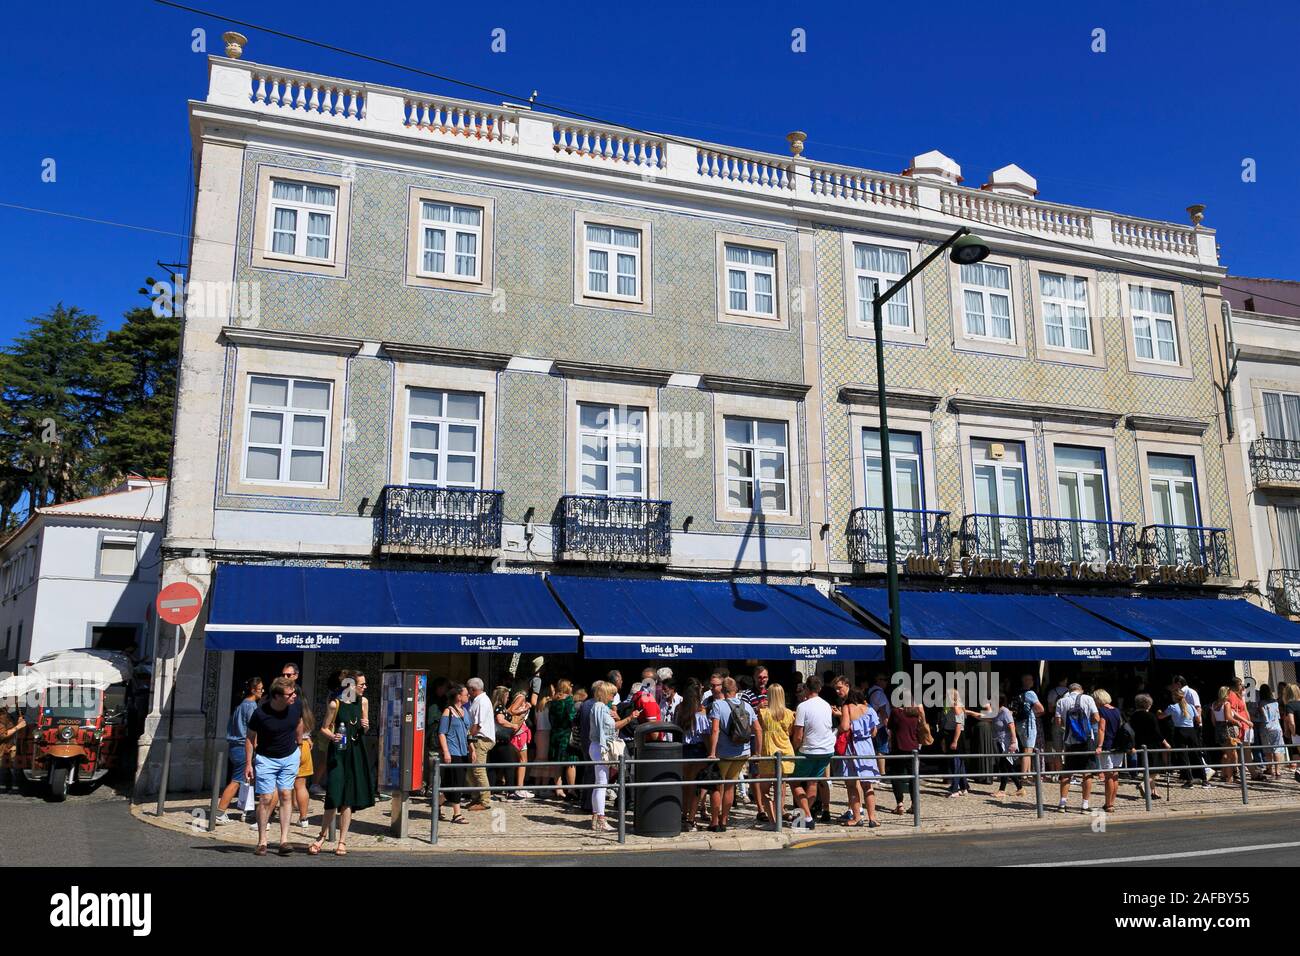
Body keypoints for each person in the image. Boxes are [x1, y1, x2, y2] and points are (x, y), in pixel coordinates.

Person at [308, 670, 374, 856]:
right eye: (361, 685)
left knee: (348, 799)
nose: (364, 687)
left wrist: (366, 726)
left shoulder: (364, 702)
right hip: (338, 753)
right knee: (333, 796)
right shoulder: (335, 704)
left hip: (356, 752)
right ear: (350, 686)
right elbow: (323, 728)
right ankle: (321, 836)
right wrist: (334, 736)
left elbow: (364, 729)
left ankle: (342, 841)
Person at [244, 676, 304, 857]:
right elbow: (249, 737)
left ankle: (284, 840)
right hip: (266, 758)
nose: (294, 696)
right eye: (289, 694)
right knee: (266, 798)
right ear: (277, 697)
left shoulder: (296, 706)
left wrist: (300, 746)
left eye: (294, 692)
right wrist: (248, 763)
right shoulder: (260, 713)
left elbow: (299, 723)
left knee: (286, 794)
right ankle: (262, 841)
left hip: (290, 756)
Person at [706, 677, 761, 832]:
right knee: (730, 786)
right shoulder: (747, 706)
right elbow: (758, 729)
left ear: (723, 690)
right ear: (736, 690)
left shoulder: (718, 705)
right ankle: (724, 820)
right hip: (742, 752)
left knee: (717, 787)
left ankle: (715, 821)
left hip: (723, 752)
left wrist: (712, 752)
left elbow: (715, 729)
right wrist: (757, 751)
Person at [588, 680, 638, 832]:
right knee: (602, 783)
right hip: (601, 747)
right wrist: (630, 718)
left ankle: (597, 816)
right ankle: (601, 819)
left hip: (596, 746)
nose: (613, 697)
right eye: (612, 694)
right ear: (605, 694)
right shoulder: (602, 708)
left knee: (599, 783)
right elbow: (612, 728)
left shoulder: (597, 707)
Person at [789, 676, 836, 830]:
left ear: (806, 689)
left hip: (809, 750)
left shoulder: (803, 707)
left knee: (794, 781)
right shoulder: (827, 705)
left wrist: (795, 749)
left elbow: (798, 735)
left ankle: (806, 816)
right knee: (813, 782)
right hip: (827, 749)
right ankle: (805, 816)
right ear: (820, 689)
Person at [215, 677, 262, 823]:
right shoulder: (251, 706)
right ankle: (219, 812)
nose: (263, 691)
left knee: (247, 780)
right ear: (253, 690)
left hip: (235, 746)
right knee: (237, 780)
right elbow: (253, 731)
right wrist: (256, 747)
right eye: (261, 689)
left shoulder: (240, 706)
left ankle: (247, 811)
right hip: (243, 747)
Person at [837, 688, 881, 827]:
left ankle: (857, 817)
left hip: (853, 747)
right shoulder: (869, 709)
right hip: (867, 747)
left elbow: (844, 726)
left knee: (851, 785)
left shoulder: (846, 707)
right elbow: (874, 732)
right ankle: (872, 818)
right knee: (868, 785)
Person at [1054, 682, 1100, 812]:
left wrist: (1071, 728)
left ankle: (1062, 803)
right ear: (1081, 690)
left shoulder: (1061, 701)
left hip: (1069, 740)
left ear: (1069, 690)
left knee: (1067, 771)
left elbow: (1058, 722)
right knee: (1087, 772)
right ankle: (1084, 805)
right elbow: (1096, 717)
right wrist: (1085, 727)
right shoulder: (1088, 698)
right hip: (1087, 740)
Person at [755, 682, 794, 824]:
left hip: (769, 753)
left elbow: (756, 728)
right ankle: (778, 818)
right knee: (781, 789)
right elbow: (790, 732)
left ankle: (772, 819)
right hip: (786, 753)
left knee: (764, 789)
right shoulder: (789, 714)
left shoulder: (763, 713)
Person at [676, 680, 711, 830]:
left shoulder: (680, 709)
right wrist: (711, 752)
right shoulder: (701, 711)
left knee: (686, 785)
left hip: (683, 750)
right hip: (698, 750)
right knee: (698, 787)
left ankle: (683, 814)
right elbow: (705, 735)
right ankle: (691, 818)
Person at [1159, 687, 1209, 788]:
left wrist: (1159, 712)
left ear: (1174, 697)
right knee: (1196, 755)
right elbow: (1198, 720)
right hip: (1191, 731)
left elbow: (1161, 716)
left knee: (1183, 756)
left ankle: (1189, 780)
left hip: (1179, 731)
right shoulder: (1191, 706)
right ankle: (1204, 780)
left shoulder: (1172, 707)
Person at [977, 694, 1021, 800]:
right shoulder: (996, 712)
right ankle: (1019, 788)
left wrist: (1013, 742)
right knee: (1006, 766)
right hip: (1000, 742)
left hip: (1007, 743)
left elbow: (1012, 726)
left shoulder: (1005, 712)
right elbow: (983, 716)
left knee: (1006, 766)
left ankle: (1004, 790)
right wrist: (968, 712)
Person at [437, 682, 470, 824]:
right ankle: (457, 814)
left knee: (457, 783)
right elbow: (442, 733)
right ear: (458, 696)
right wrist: (446, 752)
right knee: (456, 782)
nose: (468, 696)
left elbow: (468, 732)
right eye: (466, 694)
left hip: (464, 751)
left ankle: (436, 804)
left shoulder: (465, 711)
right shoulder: (448, 712)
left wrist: (472, 749)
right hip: (453, 751)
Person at [886, 693, 923, 815]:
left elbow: (890, 729)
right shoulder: (916, 713)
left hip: (898, 748)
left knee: (896, 776)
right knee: (914, 777)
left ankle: (900, 804)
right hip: (913, 748)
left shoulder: (896, 713)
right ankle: (914, 804)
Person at [1128, 693, 1167, 801]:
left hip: (1140, 744)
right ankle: (1143, 784)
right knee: (1155, 769)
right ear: (1148, 704)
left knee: (1148, 769)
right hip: (1152, 745)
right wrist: (1165, 742)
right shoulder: (1151, 716)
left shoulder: (1133, 716)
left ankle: (1153, 792)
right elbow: (1156, 732)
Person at [547, 680, 581, 801]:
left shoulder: (554, 701)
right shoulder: (568, 701)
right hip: (567, 735)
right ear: (567, 687)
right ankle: (571, 789)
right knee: (571, 764)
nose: (572, 687)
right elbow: (572, 717)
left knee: (557, 763)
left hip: (555, 734)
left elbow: (550, 719)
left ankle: (558, 789)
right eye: (571, 685)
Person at [465, 677, 495, 812]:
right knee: (471, 772)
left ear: (473, 689)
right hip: (478, 738)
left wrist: (469, 738)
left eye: (468, 689)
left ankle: (485, 800)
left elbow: (478, 724)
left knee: (478, 769)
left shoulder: (482, 701)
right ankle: (476, 797)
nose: (467, 692)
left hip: (481, 739)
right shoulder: (478, 700)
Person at [1011, 674, 1043, 791]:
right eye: (1031, 679)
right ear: (1027, 681)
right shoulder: (1031, 693)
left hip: (1019, 723)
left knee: (1026, 747)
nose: (1033, 681)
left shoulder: (1018, 693)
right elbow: (1041, 708)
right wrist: (1035, 713)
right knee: (1028, 750)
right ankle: (1024, 776)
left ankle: (1028, 774)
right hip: (1028, 724)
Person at [1093, 689, 1122, 813]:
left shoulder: (1102, 711)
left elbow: (1102, 729)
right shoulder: (1116, 710)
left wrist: (1099, 745)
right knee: (1115, 775)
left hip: (1108, 745)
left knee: (1108, 776)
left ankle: (1109, 804)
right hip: (1118, 745)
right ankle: (1111, 802)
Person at [942, 688, 971, 797]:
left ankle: (955, 789)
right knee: (960, 762)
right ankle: (964, 786)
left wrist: (955, 741)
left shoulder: (956, 707)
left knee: (956, 762)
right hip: (951, 733)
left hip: (956, 735)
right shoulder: (954, 706)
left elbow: (959, 725)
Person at [1210, 686, 1242, 784]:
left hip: (1219, 730)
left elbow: (1213, 721)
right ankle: (1230, 777)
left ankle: (1224, 774)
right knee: (1230, 755)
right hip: (1228, 729)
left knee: (1226, 753)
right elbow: (1228, 717)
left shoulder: (1214, 704)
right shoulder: (1226, 704)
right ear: (1226, 694)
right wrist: (1237, 722)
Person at [293, 703, 316, 829]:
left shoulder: (292, 710)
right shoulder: (307, 712)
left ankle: (267, 819)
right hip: (306, 746)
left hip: (293, 745)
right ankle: (303, 818)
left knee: (278, 784)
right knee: (301, 785)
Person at [1257, 684, 1285, 779]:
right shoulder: (1275, 702)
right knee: (1277, 748)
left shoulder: (1261, 703)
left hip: (1265, 728)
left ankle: (1269, 768)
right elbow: (1278, 716)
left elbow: (1264, 717)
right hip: (1276, 727)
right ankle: (1278, 770)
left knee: (1268, 749)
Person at [0, 696, 27, 793]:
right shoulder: (1, 715)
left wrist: (19, 721)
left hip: (10, 745)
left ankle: (11, 786)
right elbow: (3, 735)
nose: (14, 700)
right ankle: (8, 787)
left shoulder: (7, 713)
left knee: (11, 768)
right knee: (7, 768)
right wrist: (18, 727)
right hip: (4, 748)